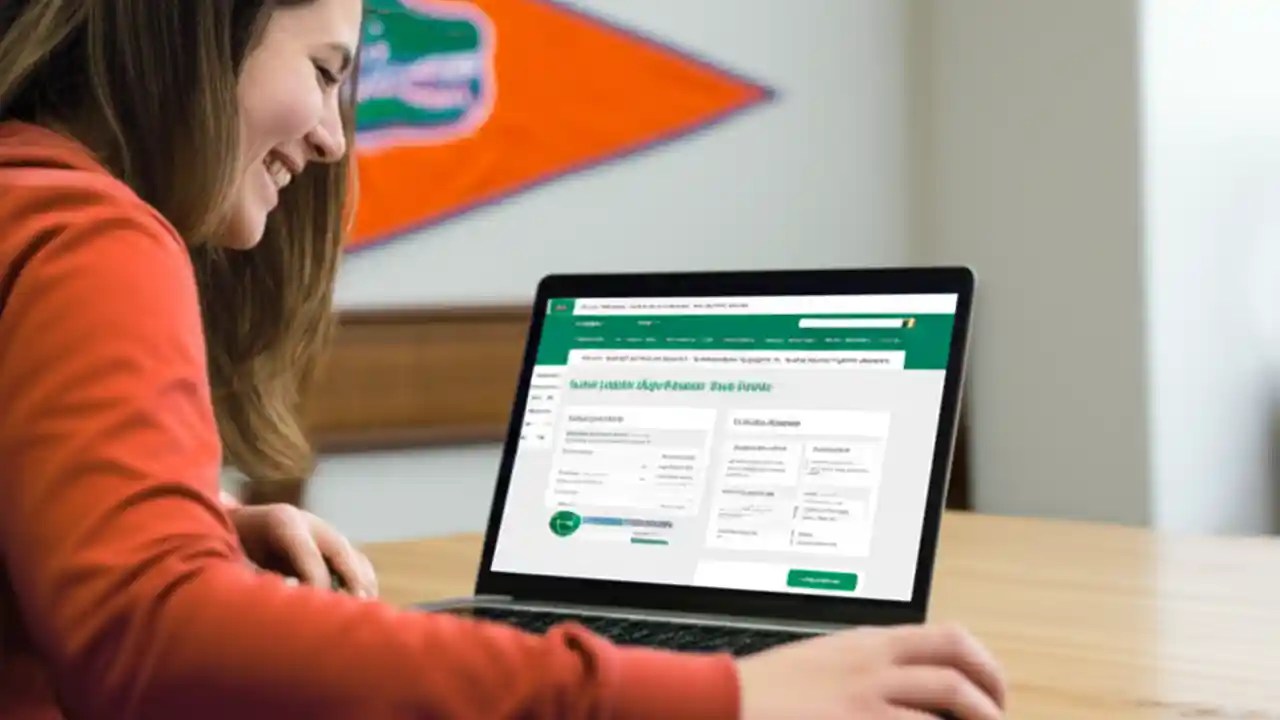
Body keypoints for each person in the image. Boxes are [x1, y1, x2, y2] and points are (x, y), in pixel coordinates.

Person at [0, 1, 1009, 718]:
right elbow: (154, 637)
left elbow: (121, 595)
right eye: (324, 71)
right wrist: (723, 694)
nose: (330, 139)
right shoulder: (94, 234)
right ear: (201, 24)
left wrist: (179, 528)